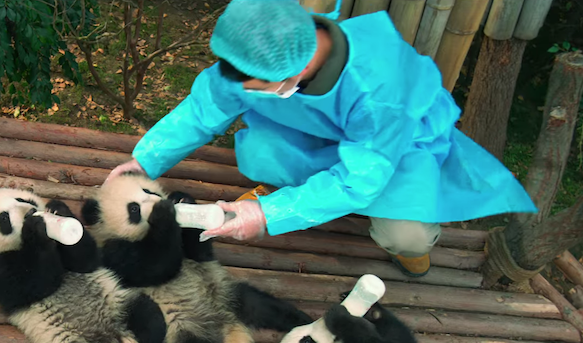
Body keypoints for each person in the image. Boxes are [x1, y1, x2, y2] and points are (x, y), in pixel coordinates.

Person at [108, 0, 537, 277]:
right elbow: (207, 106)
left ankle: (402, 243)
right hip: (314, 129)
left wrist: (267, 214)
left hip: (395, 149)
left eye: (254, 83)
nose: (240, 87)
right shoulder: (267, 44)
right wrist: (147, 160)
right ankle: (310, 198)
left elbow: (360, 177)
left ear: (296, 69)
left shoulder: (380, 91)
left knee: (405, 235)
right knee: (257, 153)